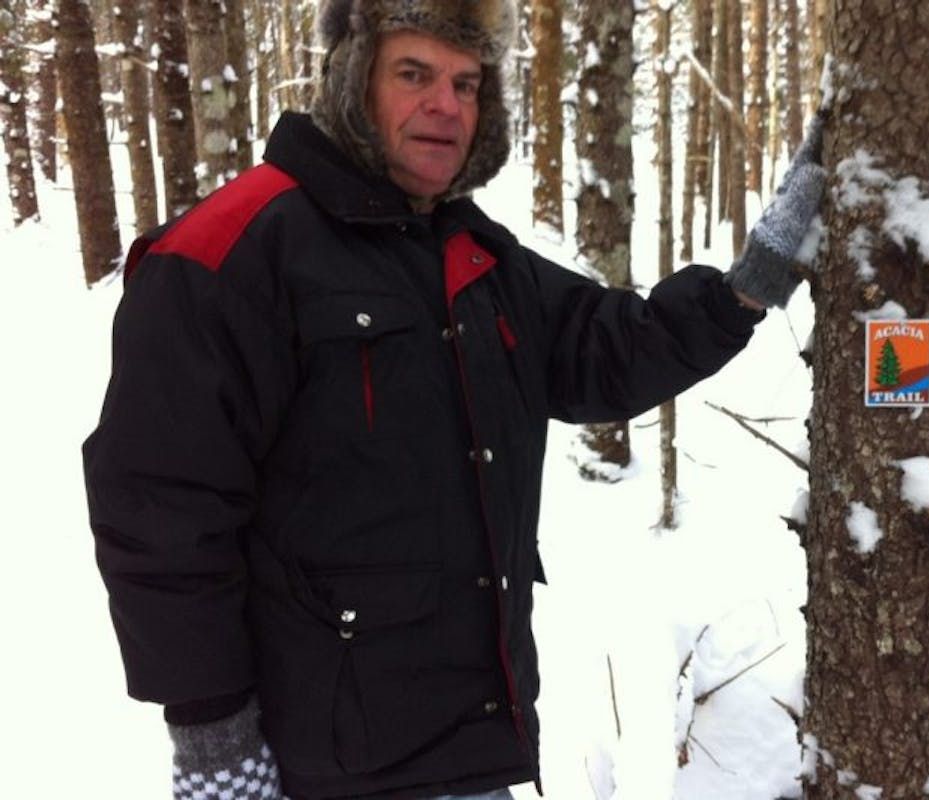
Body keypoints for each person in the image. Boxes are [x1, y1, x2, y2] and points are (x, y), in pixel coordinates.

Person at [81, 1, 826, 798]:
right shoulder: (229, 251)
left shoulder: (469, 252)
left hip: (469, 751)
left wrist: (753, 280)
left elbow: (608, 349)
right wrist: (212, 736)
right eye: (415, 75)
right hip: (322, 768)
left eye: (466, 84)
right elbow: (160, 508)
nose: (447, 105)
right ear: (352, 77)